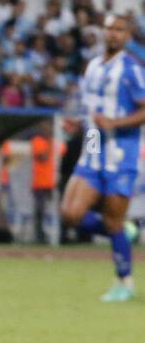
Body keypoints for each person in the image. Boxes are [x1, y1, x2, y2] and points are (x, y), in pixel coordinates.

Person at [59, 15, 145, 301]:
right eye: (109, 28)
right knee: (70, 214)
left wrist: (116, 123)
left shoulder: (132, 69)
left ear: (128, 36)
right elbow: (90, 108)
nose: (112, 34)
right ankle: (124, 233)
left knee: (112, 220)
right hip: (93, 150)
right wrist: (78, 123)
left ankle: (125, 282)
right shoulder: (93, 66)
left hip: (121, 156)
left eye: (119, 29)